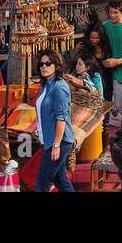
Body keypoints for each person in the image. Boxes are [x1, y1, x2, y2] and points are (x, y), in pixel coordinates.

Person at [34, 49, 75, 192]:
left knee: (42, 184)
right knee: (60, 180)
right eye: (41, 64)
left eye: (48, 63)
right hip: (49, 140)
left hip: (59, 142)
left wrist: (56, 145)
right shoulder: (45, 85)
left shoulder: (59, 87)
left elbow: (61, 118)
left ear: (56, 66)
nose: (44, 66)